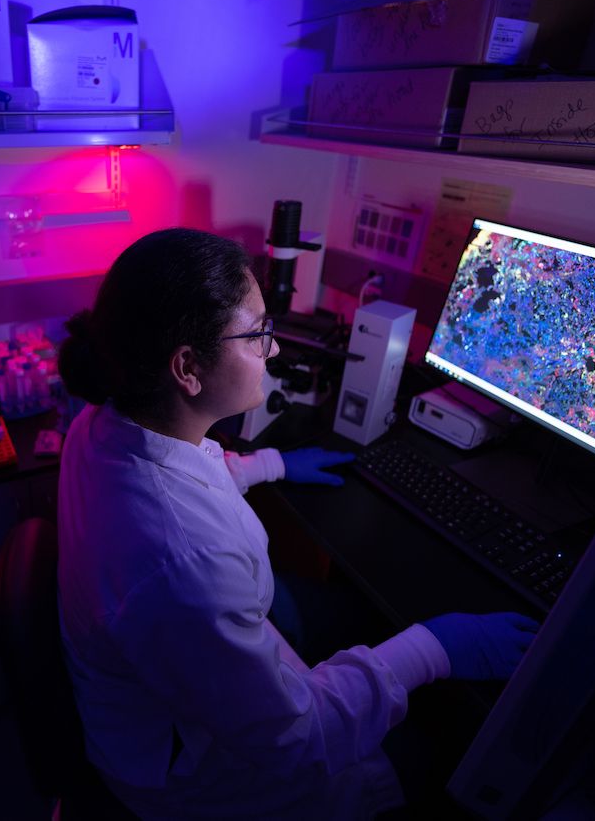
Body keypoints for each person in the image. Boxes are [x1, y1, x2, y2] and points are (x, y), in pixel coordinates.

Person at [56, 228, 539, 820]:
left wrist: (272, 463)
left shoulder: (105, 422)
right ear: (187, 367)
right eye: (258, 333)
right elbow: (299, 738)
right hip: (195, 773)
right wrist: (434, 647)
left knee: (356, 616)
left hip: (162, 677)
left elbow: (182, 478)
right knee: (444, 748)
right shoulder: (186, 564)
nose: (275, 349)